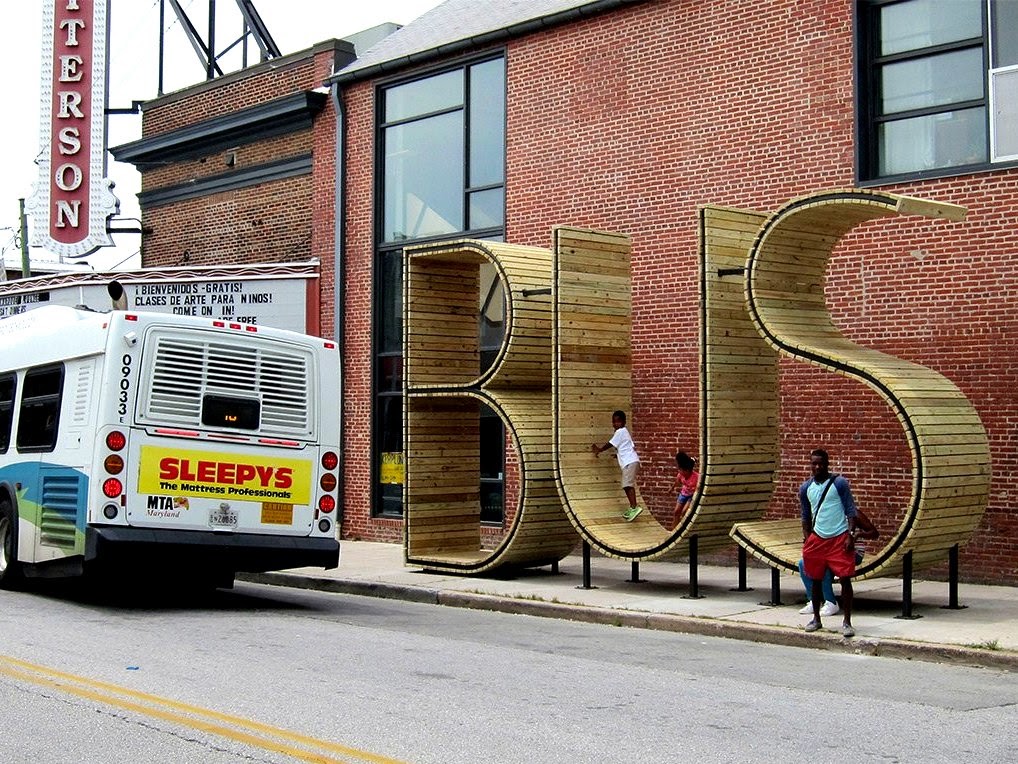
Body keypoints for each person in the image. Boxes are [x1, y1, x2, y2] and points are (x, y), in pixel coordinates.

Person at [800, 448, 860, 637]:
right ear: (810, 465)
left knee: (845, 579)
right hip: (818, 538)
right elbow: (805, 515)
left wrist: (850, 535)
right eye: (814, 463)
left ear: (827, 464)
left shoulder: (839, 483)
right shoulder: (805, 488)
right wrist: (808, 537)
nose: (817, 467)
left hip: (839, 537)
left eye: (821, 463)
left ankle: (847, 621)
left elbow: (851, 510)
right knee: (815, 579)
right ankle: (816, 618)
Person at [591, 410, 643, 521]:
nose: (615, 424)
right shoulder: (625, 432)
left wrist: (599, 450)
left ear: (624, 422)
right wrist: (618, 455)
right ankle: (632, 507)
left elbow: (610, 444)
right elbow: (628, 447)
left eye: (618, 422)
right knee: (626, 485)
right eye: (614, 422)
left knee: (627, 485)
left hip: (630, 462)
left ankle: (634, 507)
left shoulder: (620, 432)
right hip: (631, 462)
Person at [673, 451, 699, 523]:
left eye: (680, 470)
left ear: (687, 470)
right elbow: (677, 481)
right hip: (684, 493)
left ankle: (681, 527)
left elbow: (698, 488)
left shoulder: (696, 477)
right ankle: (674, 528)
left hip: (691, 495)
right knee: (676, 512)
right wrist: (671, 489)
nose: (679, 472)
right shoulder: (680, 475)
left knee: (684, 512)